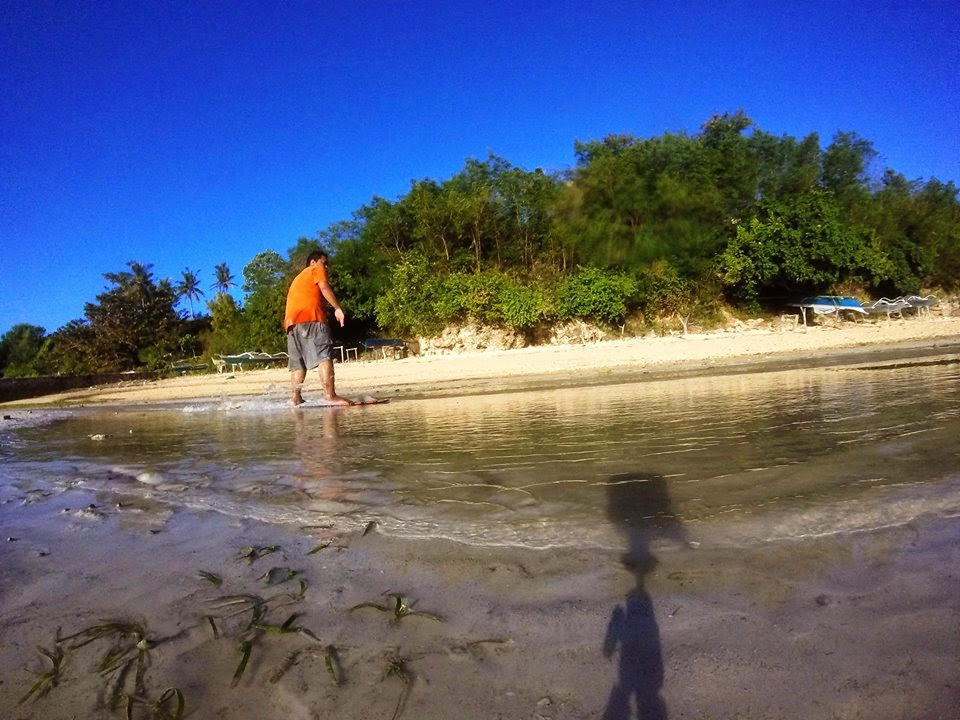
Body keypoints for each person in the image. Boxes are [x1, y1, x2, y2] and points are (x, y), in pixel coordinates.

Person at [283, 250, 350, 406]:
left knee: (298, 365)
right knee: (324, 356)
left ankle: (295, 398)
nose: (325, 268)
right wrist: (337, 308)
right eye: (324, 263)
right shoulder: (315, 270)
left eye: (327, 265)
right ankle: (330, 396)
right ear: (313, 262)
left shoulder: (298, 279)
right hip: (311, 318)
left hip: (291, 324)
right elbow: (324, 287)